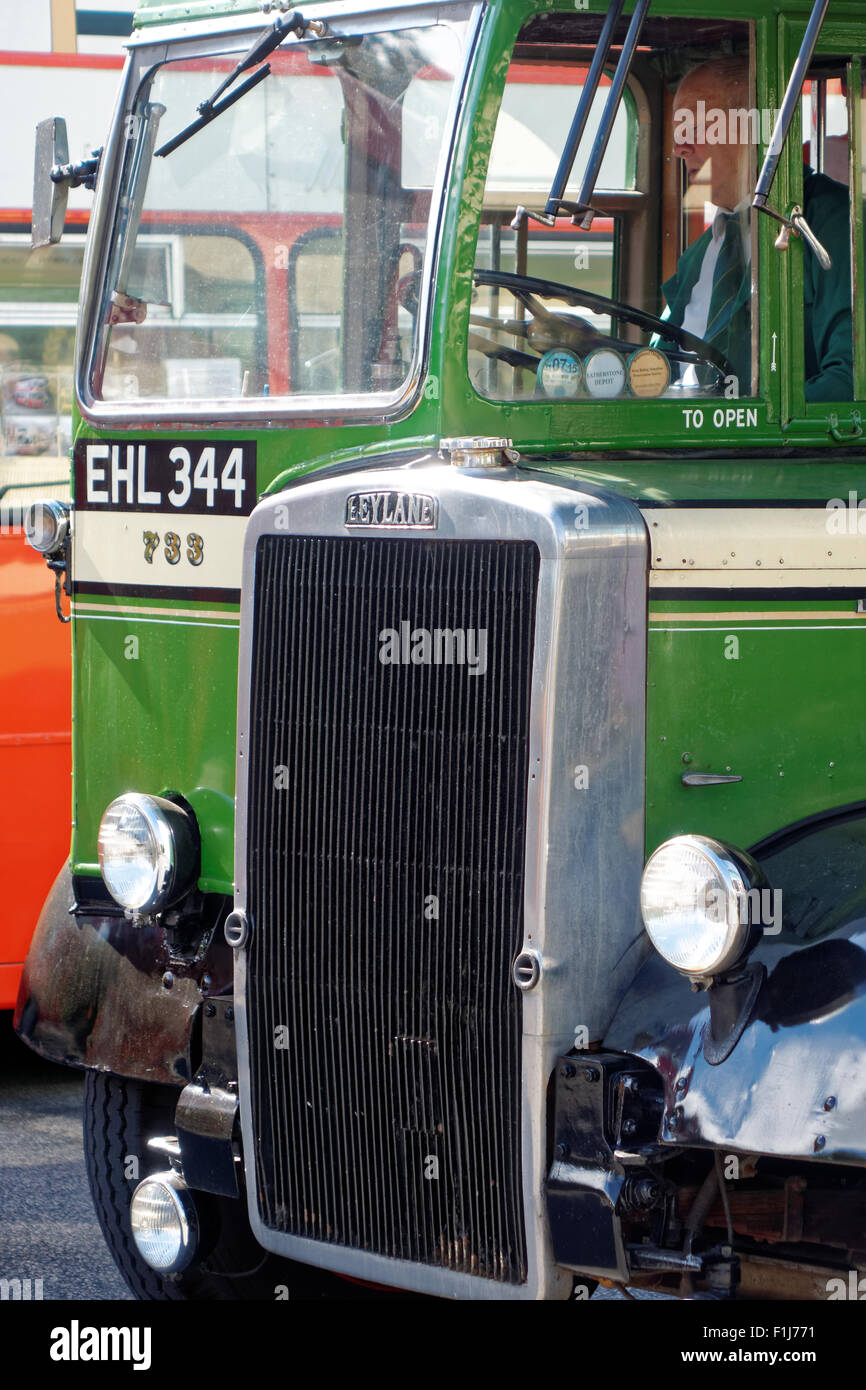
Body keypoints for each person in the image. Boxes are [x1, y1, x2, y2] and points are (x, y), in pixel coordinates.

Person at [659, 56, 853, 401]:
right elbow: (654, 367)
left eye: (696, 126)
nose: (679, 148)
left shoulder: (833, 223)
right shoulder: (700, 256)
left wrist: (747, 423)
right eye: (678, 132)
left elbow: (851, 382)